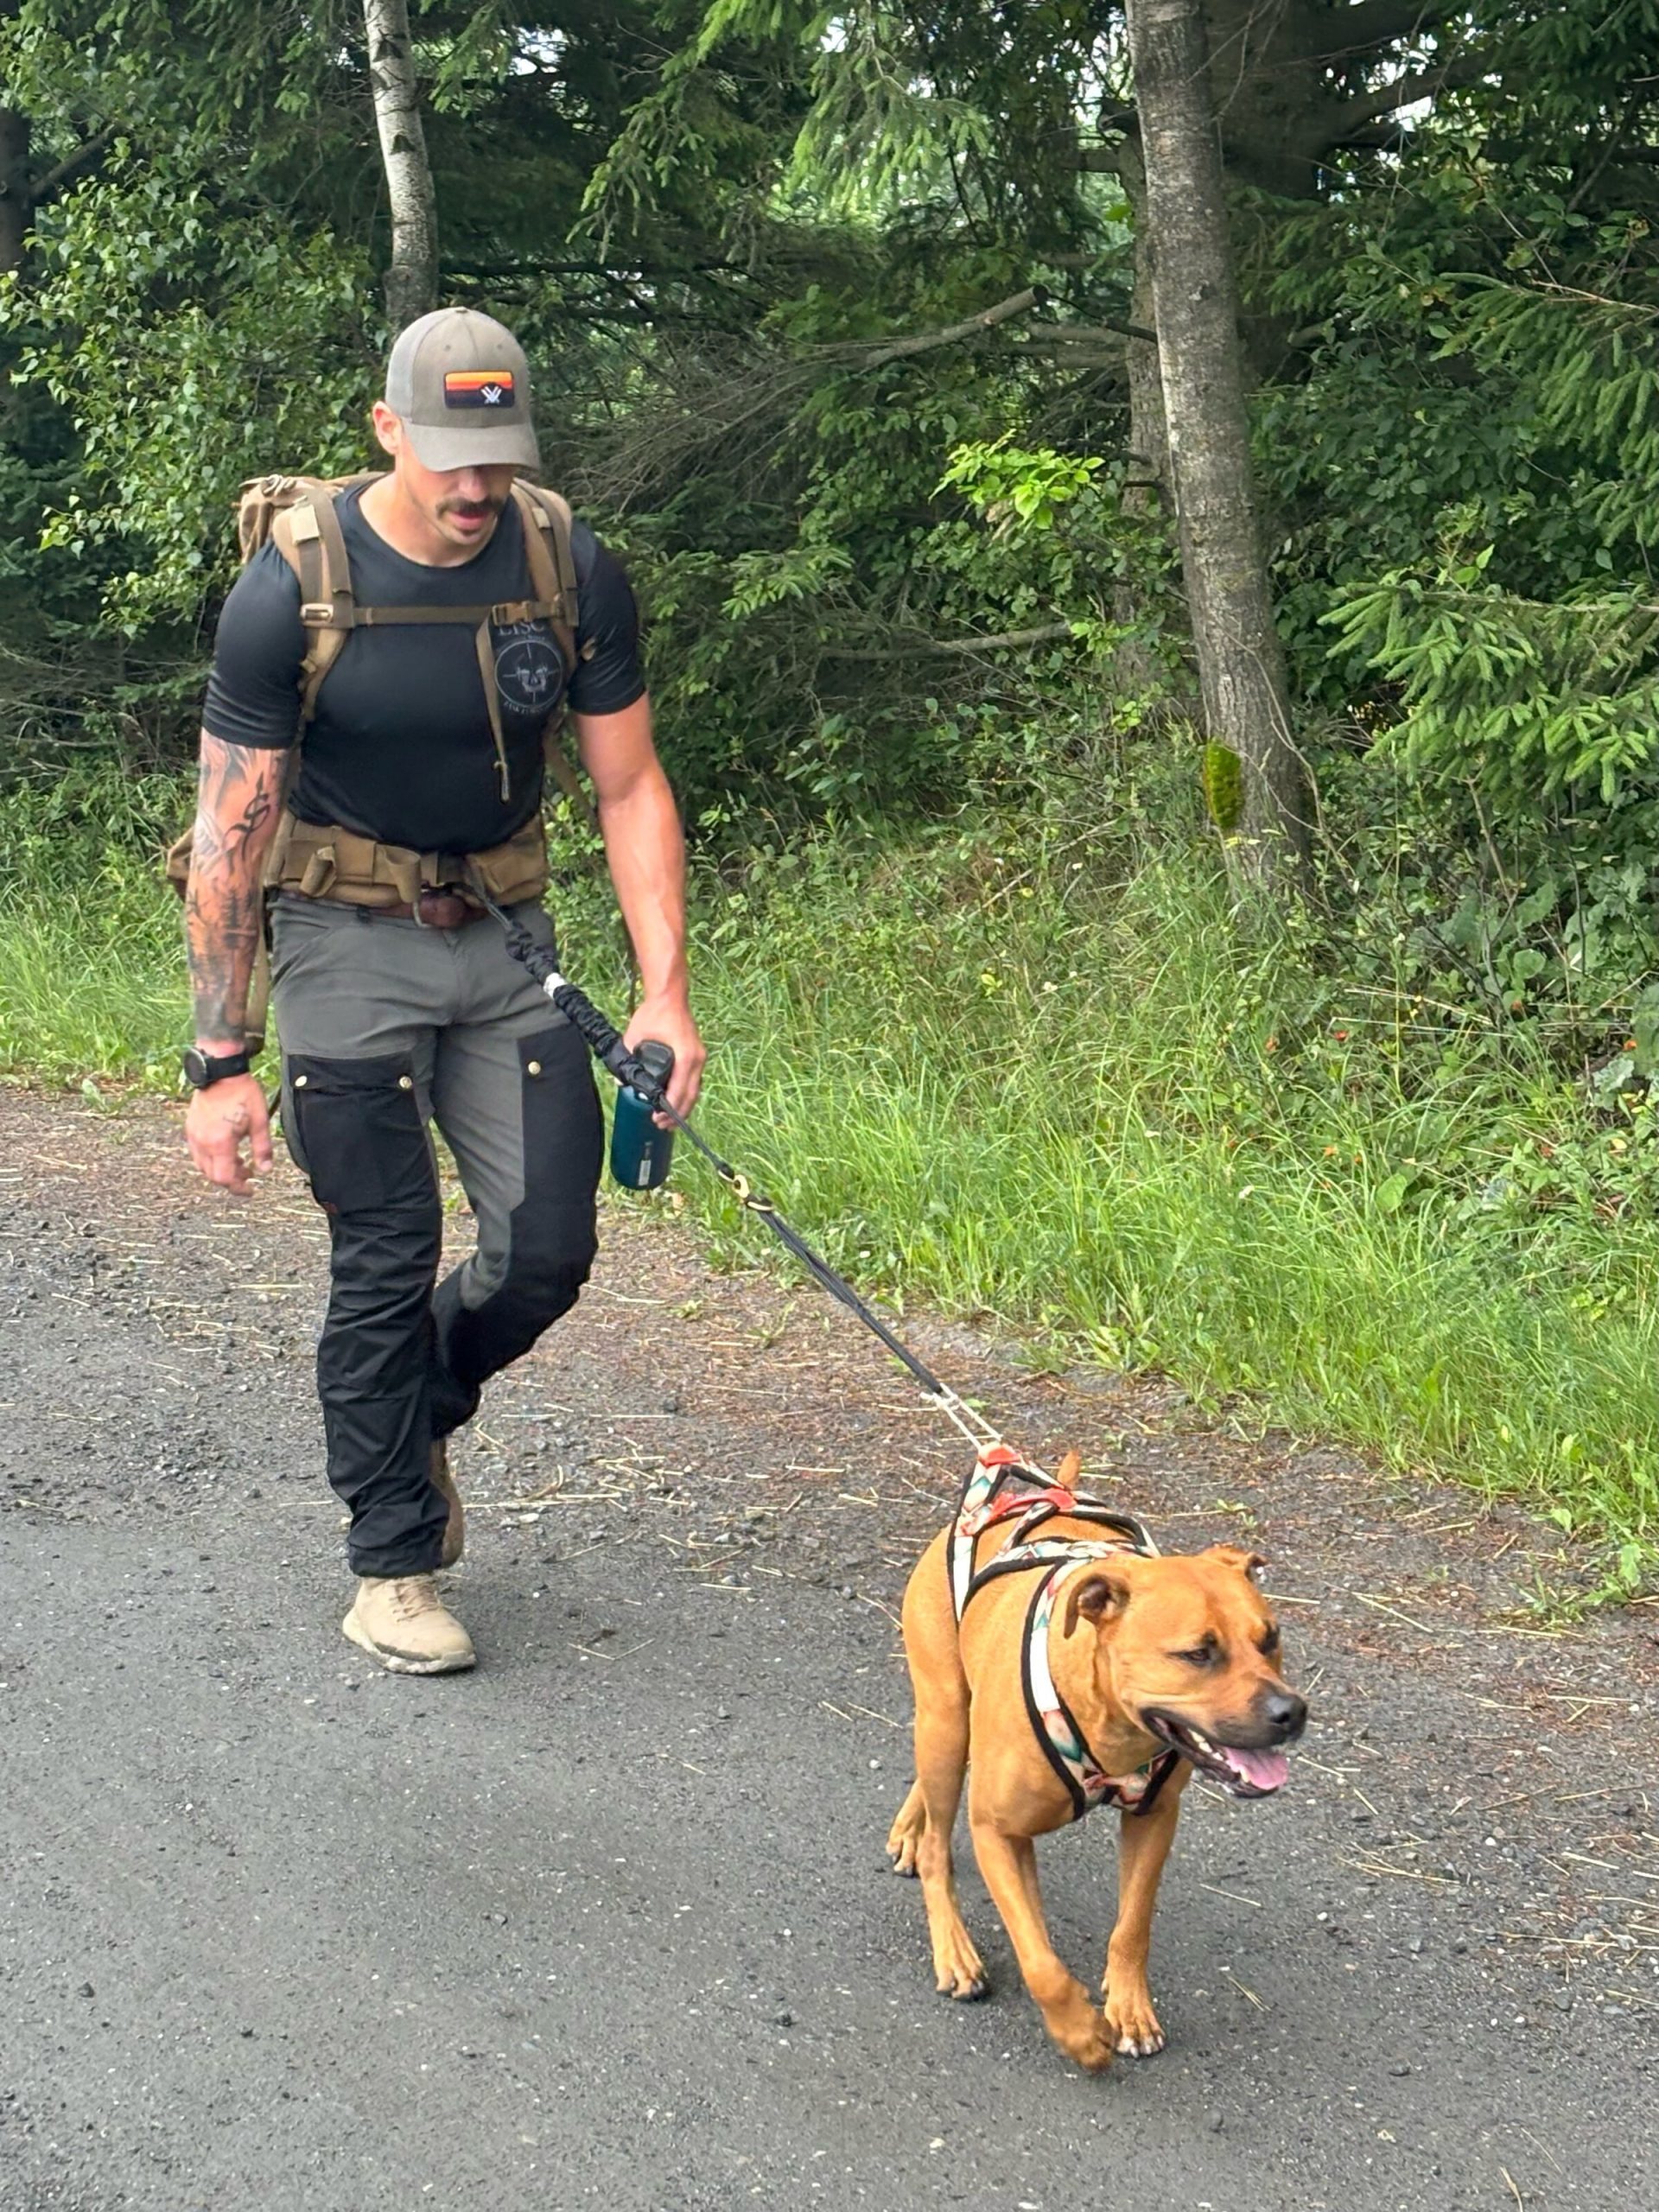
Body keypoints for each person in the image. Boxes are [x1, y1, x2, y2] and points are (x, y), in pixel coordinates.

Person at [180, 306, 704, 1675]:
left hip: (504, 930)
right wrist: (219, 1059)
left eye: (500, 457)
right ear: (389, 431)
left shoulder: (563, 562)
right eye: (451, 458)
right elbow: (234, 826)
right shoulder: (292, 585)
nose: (476, 490)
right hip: (343, 941)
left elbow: (631, 783)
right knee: (385, 1251)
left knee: (547, 1247)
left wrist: (665, 995)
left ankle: (414, 1411)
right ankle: (393, 1563)